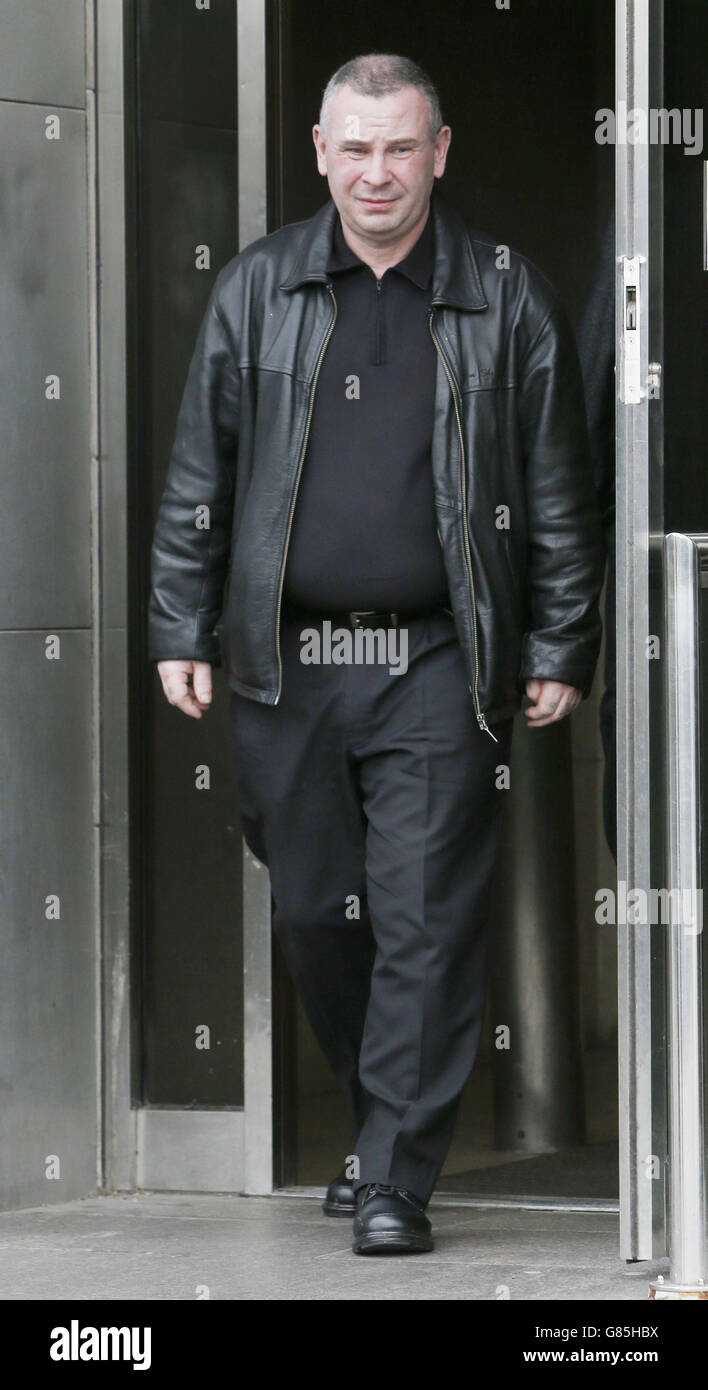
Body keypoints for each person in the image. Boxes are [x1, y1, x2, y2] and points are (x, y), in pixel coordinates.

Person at [147, 53, 605, 1256]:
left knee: (422, 921)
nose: (377, 172)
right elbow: (203, 469)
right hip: (290, 665)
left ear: (440, 153)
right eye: (355, 148)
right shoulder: (257, 290)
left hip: (440, 661)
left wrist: (561, 640)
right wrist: (175, 624)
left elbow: (560, 490)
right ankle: (378, 1126)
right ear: (317, 150)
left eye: (401, 147)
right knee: (314, 915)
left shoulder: (509, 295)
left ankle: (397, 1176)